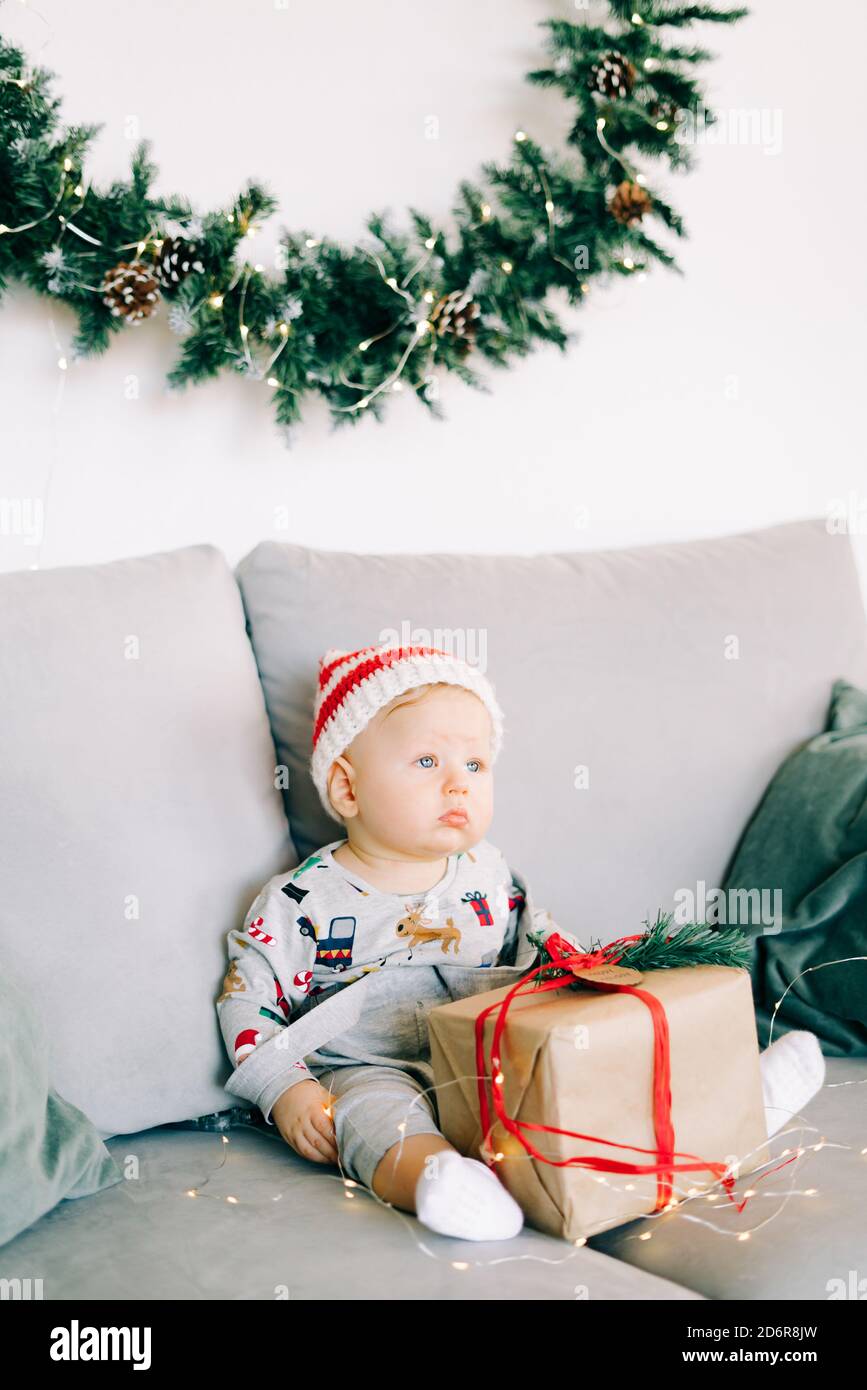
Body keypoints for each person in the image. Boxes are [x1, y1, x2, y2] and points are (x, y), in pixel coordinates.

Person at [216, 643, 825, 1241]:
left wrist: (581, 979)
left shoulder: (488, 869)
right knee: (374, 1119)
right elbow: (248, 998)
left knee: (585, 1067)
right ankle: (440, 1183)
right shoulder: (305, 899)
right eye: (427, 762)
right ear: (348, 790)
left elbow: (537, 936)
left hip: (489, 1043)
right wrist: (287, 1088)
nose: (459, 785)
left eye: (475, 766)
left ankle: (732, 1109)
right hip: (369, 1063)